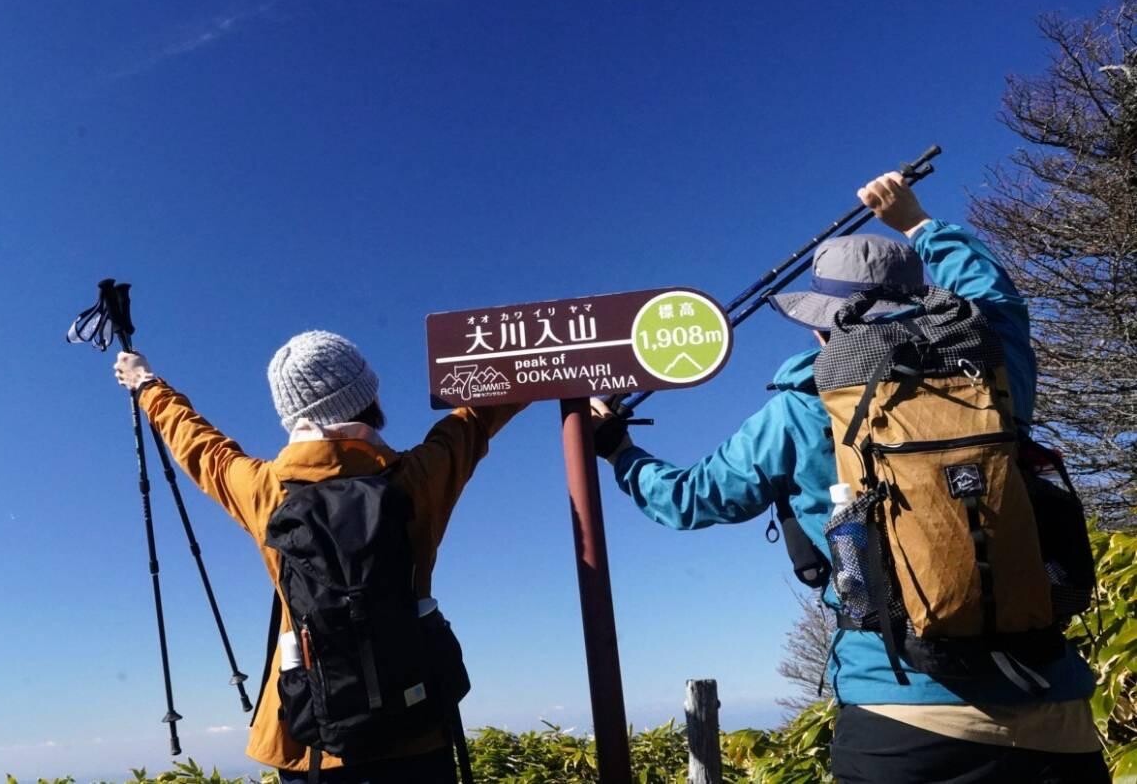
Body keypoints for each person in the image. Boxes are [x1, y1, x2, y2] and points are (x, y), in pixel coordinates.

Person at [594, 172, 1105, 783]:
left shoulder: (802, 409)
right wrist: (917, 219)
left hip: (901, 714)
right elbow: (994, 295)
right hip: (1056, 713)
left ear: (820, 325)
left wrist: (618, 449)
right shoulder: (992, 370)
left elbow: (689, 500)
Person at [112, 330, 522, 783]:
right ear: (370, 397)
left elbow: (199, 444)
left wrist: (147, 384)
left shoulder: (264, 490)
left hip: (309, 737)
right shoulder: (418, 477)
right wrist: (552, 363)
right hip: (417, 723)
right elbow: (477, 418)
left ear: (290, 415)